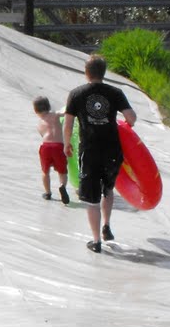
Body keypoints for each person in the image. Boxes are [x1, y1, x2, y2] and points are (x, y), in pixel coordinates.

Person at [61, 56, 136, 253]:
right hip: (112, 149)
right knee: (108, 189)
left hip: (89, 150)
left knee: (91, 198)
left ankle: (96, 241)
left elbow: (68, 124)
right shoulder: (115, 92)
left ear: (86, 72)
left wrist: (66, 144)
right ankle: (106, 226)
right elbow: (131, 118)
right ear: (104, 72)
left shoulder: (76, 94)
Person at [33, 95, 71, 204]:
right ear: (48, 106)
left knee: (45, 171)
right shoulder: (55, 115)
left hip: (45, 147)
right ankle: (62, 186)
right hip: (58, 147)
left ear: (35, 110)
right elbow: (65, 112)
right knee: (62, 171)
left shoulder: (39, 124)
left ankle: (48, 193)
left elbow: (42, 135)